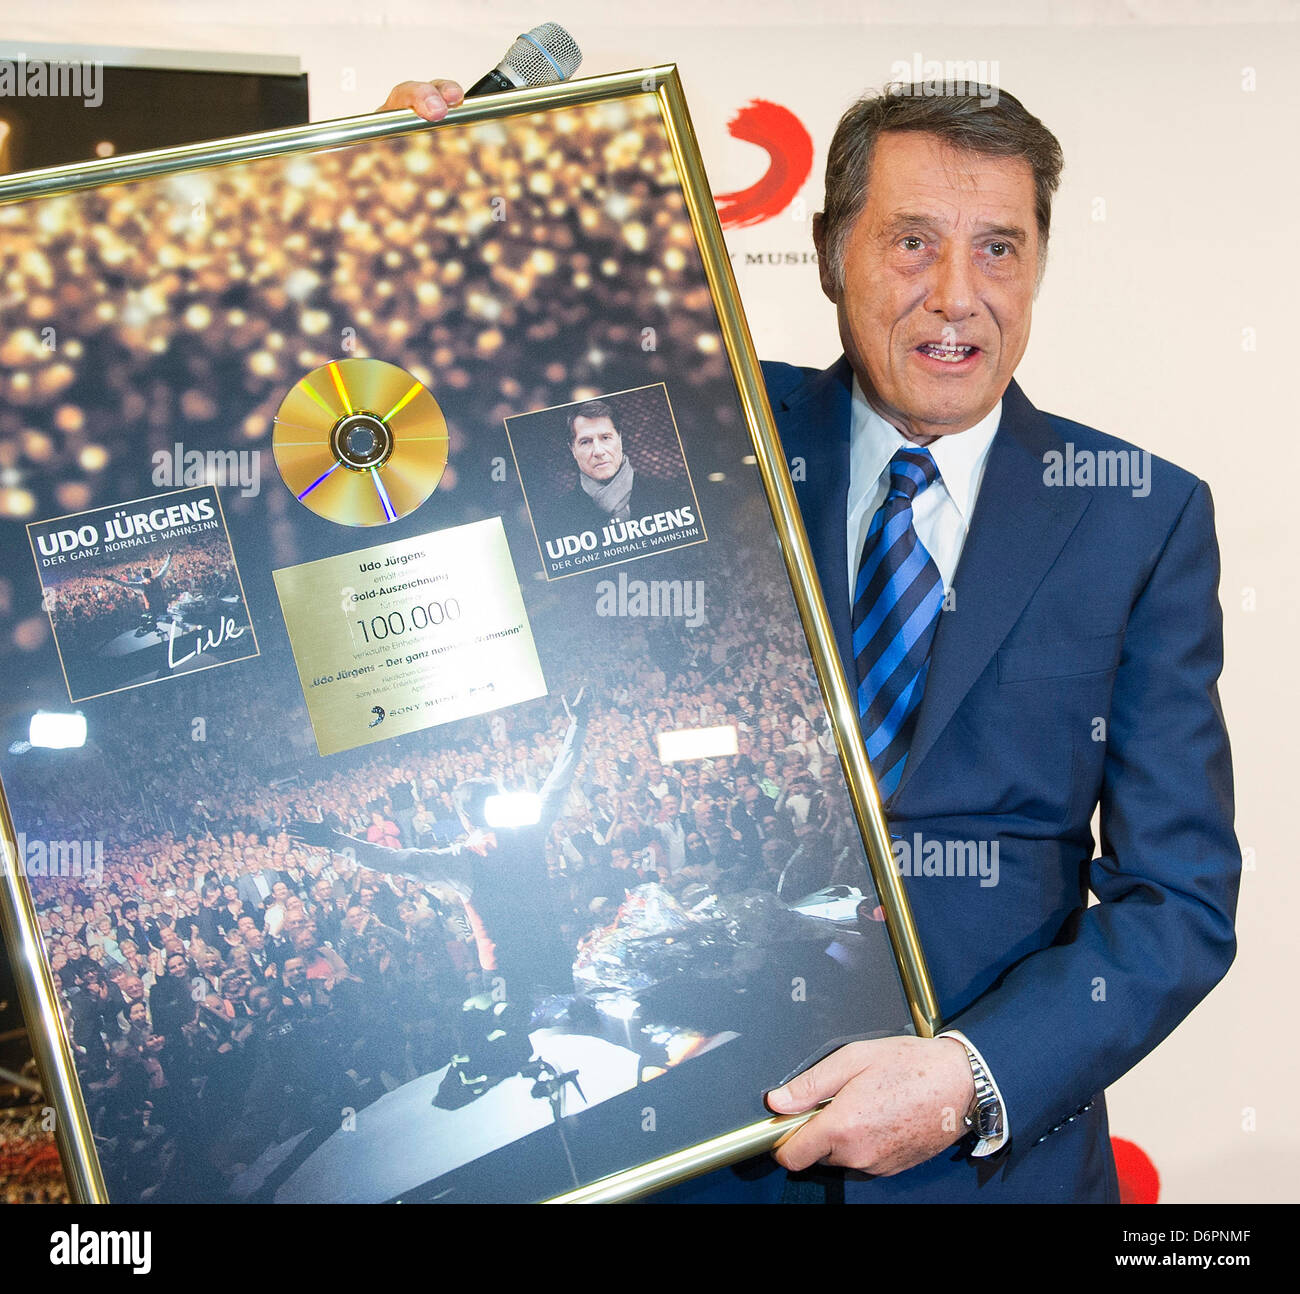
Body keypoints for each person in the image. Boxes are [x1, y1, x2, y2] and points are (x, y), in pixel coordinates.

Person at [429, 74, 1246, 1202]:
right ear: (827, 255)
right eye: (911, 242)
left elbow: (1180, 902)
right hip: (708, 1158)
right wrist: (425, 176)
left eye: (999, 250)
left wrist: (970, 1078)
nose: (957, 296)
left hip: (986, 1172)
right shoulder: (713, 436)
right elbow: (480, 410)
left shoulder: (1137, 515)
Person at [538, 399, 688, 539]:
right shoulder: (555, 518)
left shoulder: (669, 496)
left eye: (605, 438)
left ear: (620, 439)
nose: (598, 451)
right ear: (573, 450)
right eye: (585, 442)